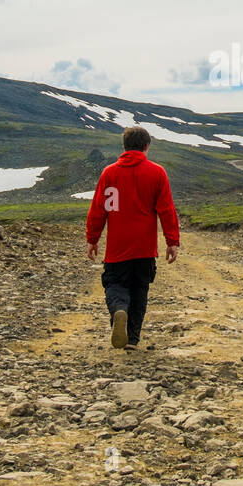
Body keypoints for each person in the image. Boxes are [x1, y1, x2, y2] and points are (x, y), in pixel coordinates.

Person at [85, 126, 180, 350]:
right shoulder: (157, 173)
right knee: (140, 289)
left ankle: (119, 308)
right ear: (147, 146)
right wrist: (172, 241)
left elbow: (99, 209)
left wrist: (93, 238)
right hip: (144, 248)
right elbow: (166, 210)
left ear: (124, 145)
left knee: (115, 283)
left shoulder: (109, 172)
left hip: (117, 247)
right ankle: (133, 339)